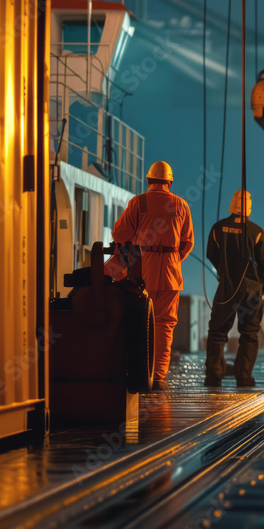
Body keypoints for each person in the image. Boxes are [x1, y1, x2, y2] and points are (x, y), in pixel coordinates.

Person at [111, 161, 194, 392]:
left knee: (137, 322)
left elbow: (120, 234)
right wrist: (172, 260)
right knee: (165, 325)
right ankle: (158, 377)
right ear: (169, 182)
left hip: (141, 273)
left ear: (149, 181)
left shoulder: (138, 202)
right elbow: (187, 243)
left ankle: (137, 373)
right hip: (170, 274)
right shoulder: (182, 205)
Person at [204, 190, 264, 388]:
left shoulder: (218, 229)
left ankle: (213, 376)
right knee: (249, 334)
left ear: (232, 204)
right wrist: (261, 287)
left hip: (227, 288)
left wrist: (224, 273)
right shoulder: (257, 232)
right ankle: (244, 377)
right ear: (249, 207)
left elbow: (212, 254)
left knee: (217, 332)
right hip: (252, 290)